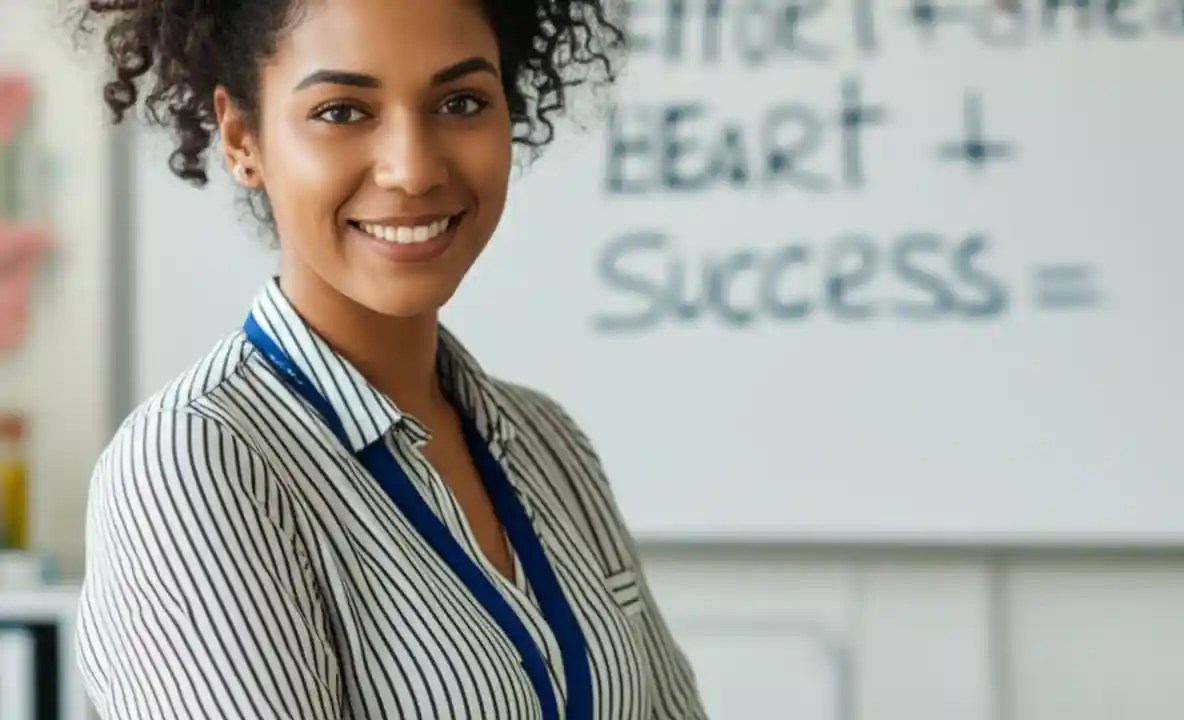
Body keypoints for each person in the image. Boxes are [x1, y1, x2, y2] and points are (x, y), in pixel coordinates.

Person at [71, 0, 707, 717]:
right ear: (242, 137)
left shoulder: (548, 443)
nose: (412, 169)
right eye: (343, 111)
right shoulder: (194, 465)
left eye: (461, 102)